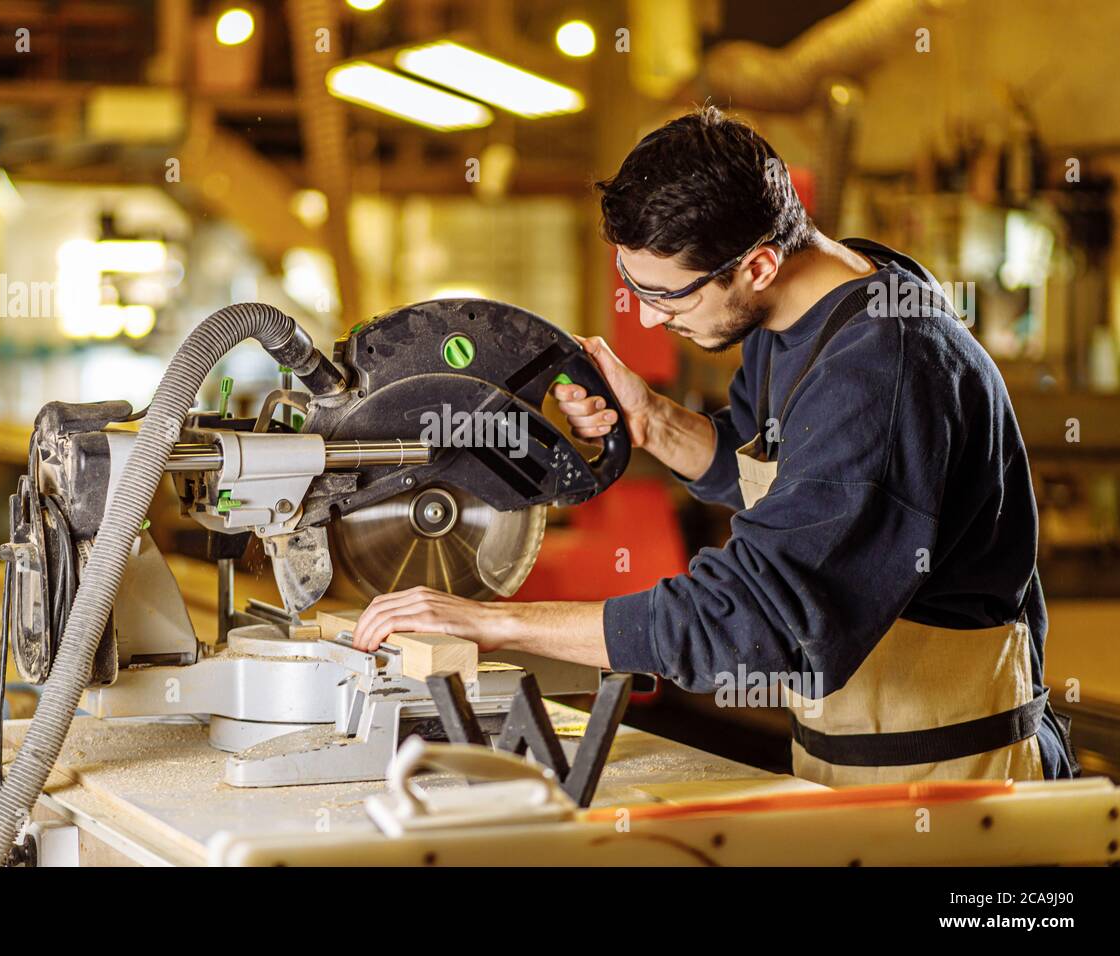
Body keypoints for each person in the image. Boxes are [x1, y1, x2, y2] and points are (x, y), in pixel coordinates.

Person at [351, 107, 1076, 785]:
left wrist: (494, 621)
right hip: (853, 761)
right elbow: (776, 478)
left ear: (758, 265)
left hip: (952, 779)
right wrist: (651, 418)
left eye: (672, 296)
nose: (654, 316)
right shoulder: (809, 307)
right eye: (638, 289)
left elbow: (759, 617)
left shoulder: (880, 368)